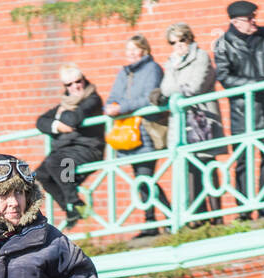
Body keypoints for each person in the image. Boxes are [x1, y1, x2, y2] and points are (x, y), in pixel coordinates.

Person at [213, 1, 264, 219]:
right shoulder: (222, 44)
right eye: (249, 19)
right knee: (243, 162)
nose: (254, 21)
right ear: (236, 22)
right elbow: (224, 76)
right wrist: (252, 84)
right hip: (242, 112)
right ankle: (245, 209)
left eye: (254, 17)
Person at [159, 22, 226, 223]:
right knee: (189, 169)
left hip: (203, 121)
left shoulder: (201, 57)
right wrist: (176, 89)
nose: (178, 45)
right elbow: (165, 88)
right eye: (173, 42)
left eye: (182, 40)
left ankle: (217, 216)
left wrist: (174, 91)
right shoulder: (171, 62)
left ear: (189, 39)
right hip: (182, 123)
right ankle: (199, 218)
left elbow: (195, 87)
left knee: (207, 166)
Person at [105, 35, 169, 238]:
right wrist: (112, 106)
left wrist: (122, 107)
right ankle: (155, 220)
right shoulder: (124, 72)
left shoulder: (152, 68)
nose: (131, 53)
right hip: (128, 132)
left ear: (144, 50)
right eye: (128, 50)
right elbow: (113, 97)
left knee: (145, 176)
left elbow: (149, 97)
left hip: (146, 129)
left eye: (135, 49)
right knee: (141, 178)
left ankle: (160, 219)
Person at [34, 65, 105, 230]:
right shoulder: (65, 102)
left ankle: (75, 202)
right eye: (69, 84)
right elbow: (40, 121)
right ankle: (70, 209)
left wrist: (60, 117)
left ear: (84, 80)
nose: (75, 87)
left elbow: (73, 118)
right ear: (65, 87)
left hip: (87, 148)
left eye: (78, 81)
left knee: (56, 163)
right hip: (66, 150)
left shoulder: (92, 99)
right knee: (42, 175)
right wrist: (57, 124)